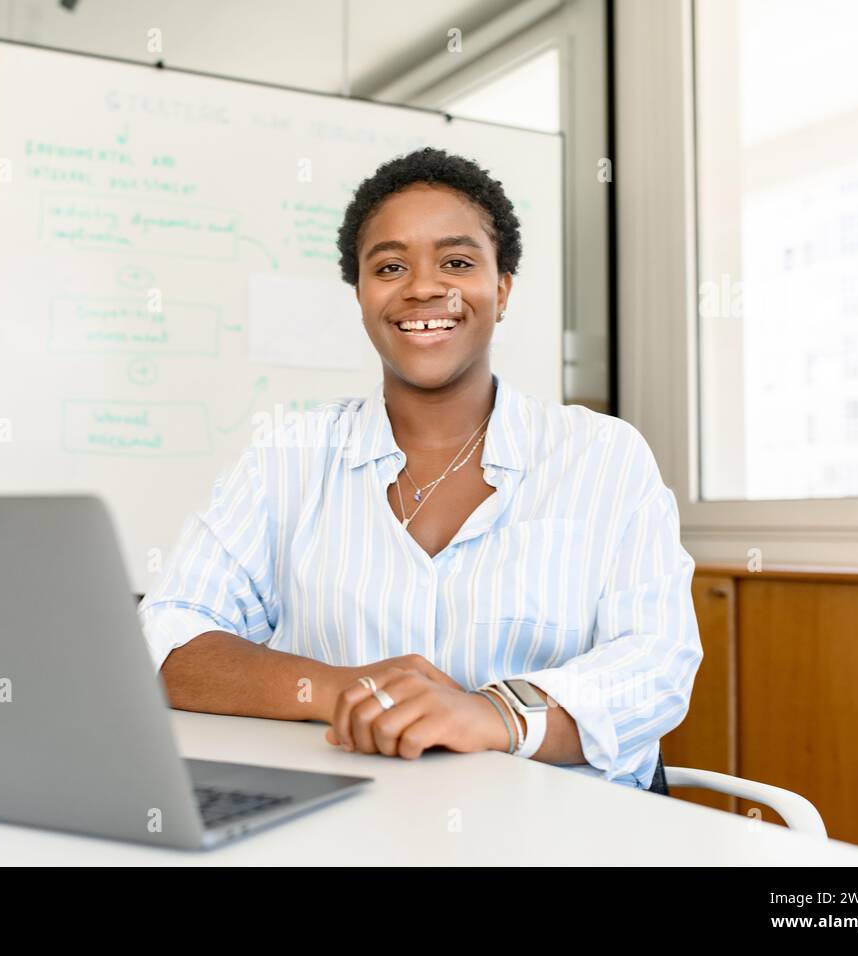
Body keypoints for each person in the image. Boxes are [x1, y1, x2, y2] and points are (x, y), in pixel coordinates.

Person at [138, 147, 702, 789]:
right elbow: (169, 639)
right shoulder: (288, 457)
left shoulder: (602, 456)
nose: (423, 287)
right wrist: (350, 690)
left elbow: (657, 663)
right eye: (390, 266)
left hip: (563, 833)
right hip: (354, 822)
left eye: (458, 262)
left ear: (502, 288)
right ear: (361, 296)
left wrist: (493, 714)